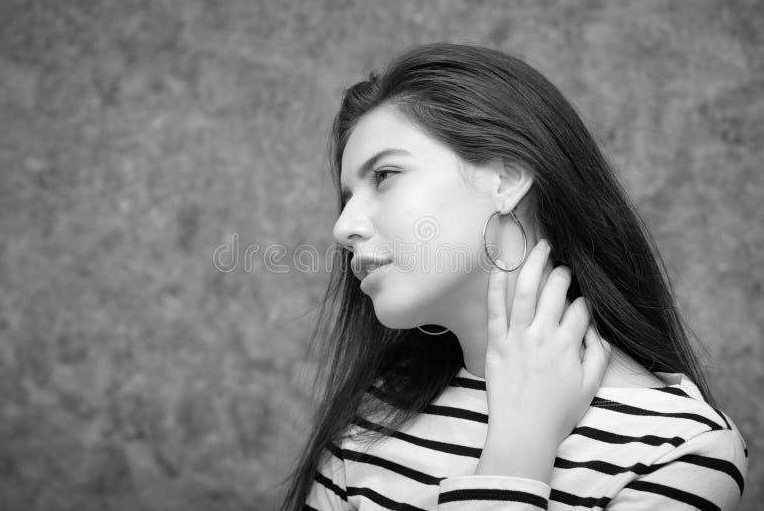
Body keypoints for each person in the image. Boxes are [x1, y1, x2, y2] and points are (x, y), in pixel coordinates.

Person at [279, 43, 748, 510]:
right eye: (348, 197)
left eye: (384, 175)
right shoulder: (374, 418)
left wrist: (519, 450)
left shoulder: (677, 449)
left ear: (504, 180)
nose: (343, 228)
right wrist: (518, 449)